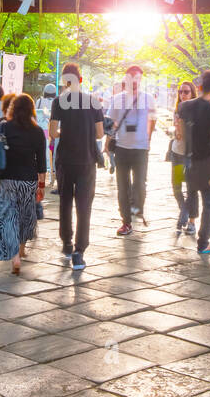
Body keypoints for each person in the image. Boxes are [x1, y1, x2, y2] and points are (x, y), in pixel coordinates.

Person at [49, 62, 103, 271]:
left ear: (64, 82)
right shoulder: (93, 102)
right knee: (84, 206)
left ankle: (67, 243)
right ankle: (80, 251)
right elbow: (99, 134)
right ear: (80, 80)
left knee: (65, 202)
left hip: (65, 160)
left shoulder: (58, 102)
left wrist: (66, 132)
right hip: (87, 160)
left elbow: (53, 133)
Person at [0, 93, 47, 275]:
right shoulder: (37, 132)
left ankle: (15, 257)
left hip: (6, 179)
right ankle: (21, 249)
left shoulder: (3, 128)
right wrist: (41, 185)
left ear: (12, 109)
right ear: (31, 110)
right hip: (28, 180)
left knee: (8, 216)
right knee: (24, 216)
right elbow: (42, 161)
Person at [176, 70, 210, 256]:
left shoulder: (185, 107)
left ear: (200, 87)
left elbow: (180, 131)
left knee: (191, 193)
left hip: (189, 158)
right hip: (207, 162)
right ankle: (203, 242)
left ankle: (186, 222)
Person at [107, 65, 155, 235]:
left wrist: (148, 138)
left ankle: (137, 207)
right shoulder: (117, 99)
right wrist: (108, 142)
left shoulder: (148, 98)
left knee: (140, 183)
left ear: (141, 79)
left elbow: (153, 119)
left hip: (141, 148)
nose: (134, 81)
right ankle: (126, 221)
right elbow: (110, 122)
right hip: (122, 148)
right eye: (131, 77)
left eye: (137, 78)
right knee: (122, 186)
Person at [168, 79, 198, 235]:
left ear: (193, 93)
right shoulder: (177, 110)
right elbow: (178, 134)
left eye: (186, 91)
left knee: (191, 189)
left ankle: (191, 222)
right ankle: (184, 212)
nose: (183, 94)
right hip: (178, 153)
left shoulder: (198, 111)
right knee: (177, 187)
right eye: (180, 91)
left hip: (192, 155)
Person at [38, 82, 58, 189]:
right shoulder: (57, 101)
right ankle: (52, 176)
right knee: (53, 153)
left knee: (42, 154)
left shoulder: (39, 101)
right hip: (53, 133)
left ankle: (41, 177)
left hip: (41, 132)